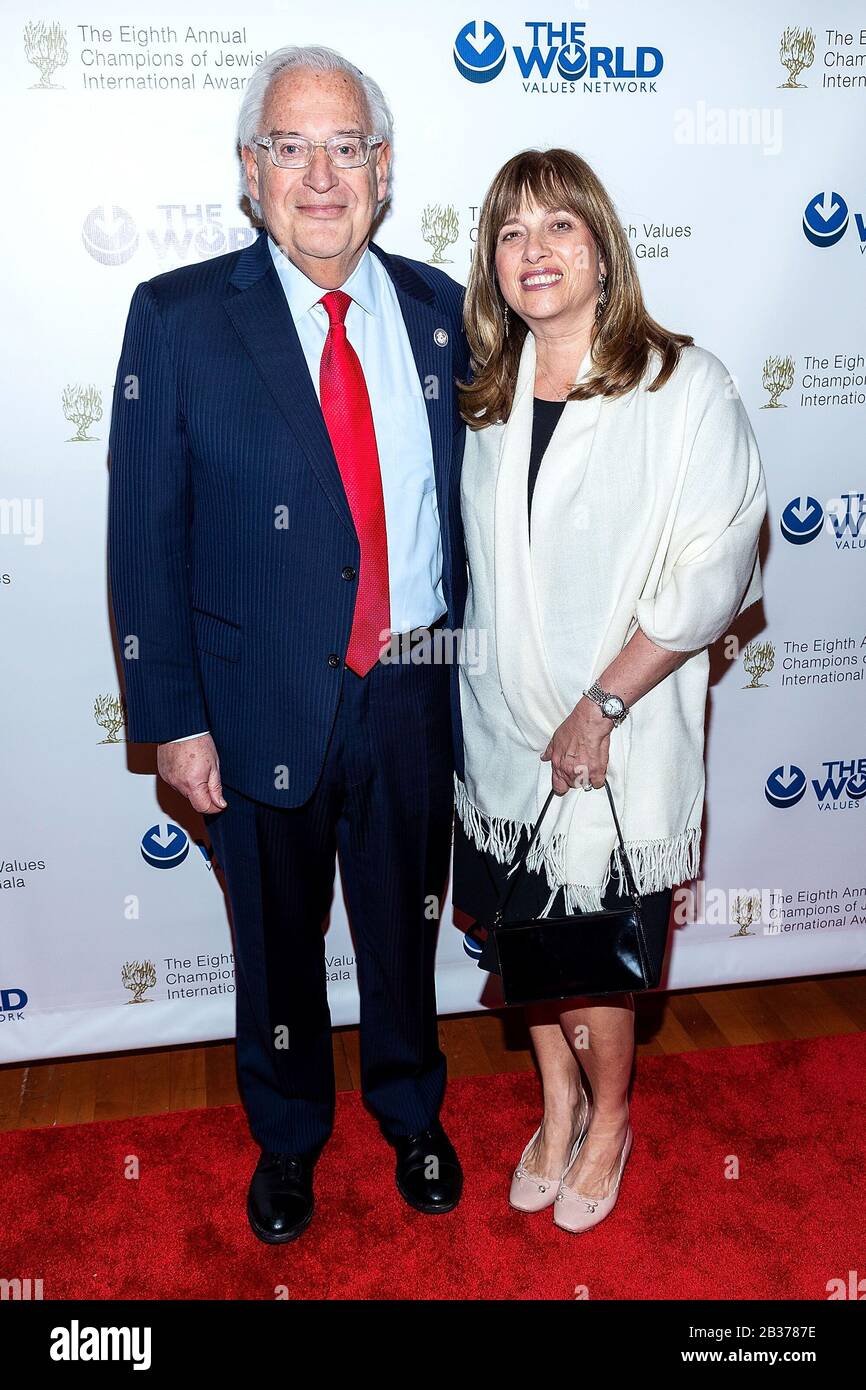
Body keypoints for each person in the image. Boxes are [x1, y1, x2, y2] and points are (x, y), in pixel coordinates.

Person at [107, 44, 470, 1244]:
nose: (322, 175)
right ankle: (288, 1141)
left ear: (383, 167)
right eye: (291, 146)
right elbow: (143, 536)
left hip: (414, 687)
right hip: (252, 697)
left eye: (347, 146)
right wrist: (170, 718)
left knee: (403, 927)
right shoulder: (175, 319)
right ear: (250, 171)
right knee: (273, 947)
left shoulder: (438, 312)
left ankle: (413, 1110)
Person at [453, 148, 767, 1234]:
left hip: (618, 735)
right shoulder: (487, 398)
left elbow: (713, 567)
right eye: (509, 233)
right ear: (490, 262)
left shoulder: (681, 386)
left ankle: (611, 1117)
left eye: (557, 228)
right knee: (527, 942)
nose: (532, 252)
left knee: (595, 963)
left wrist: (602, 704)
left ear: (601, 249)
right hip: (501, 736)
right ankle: (552, 1106)